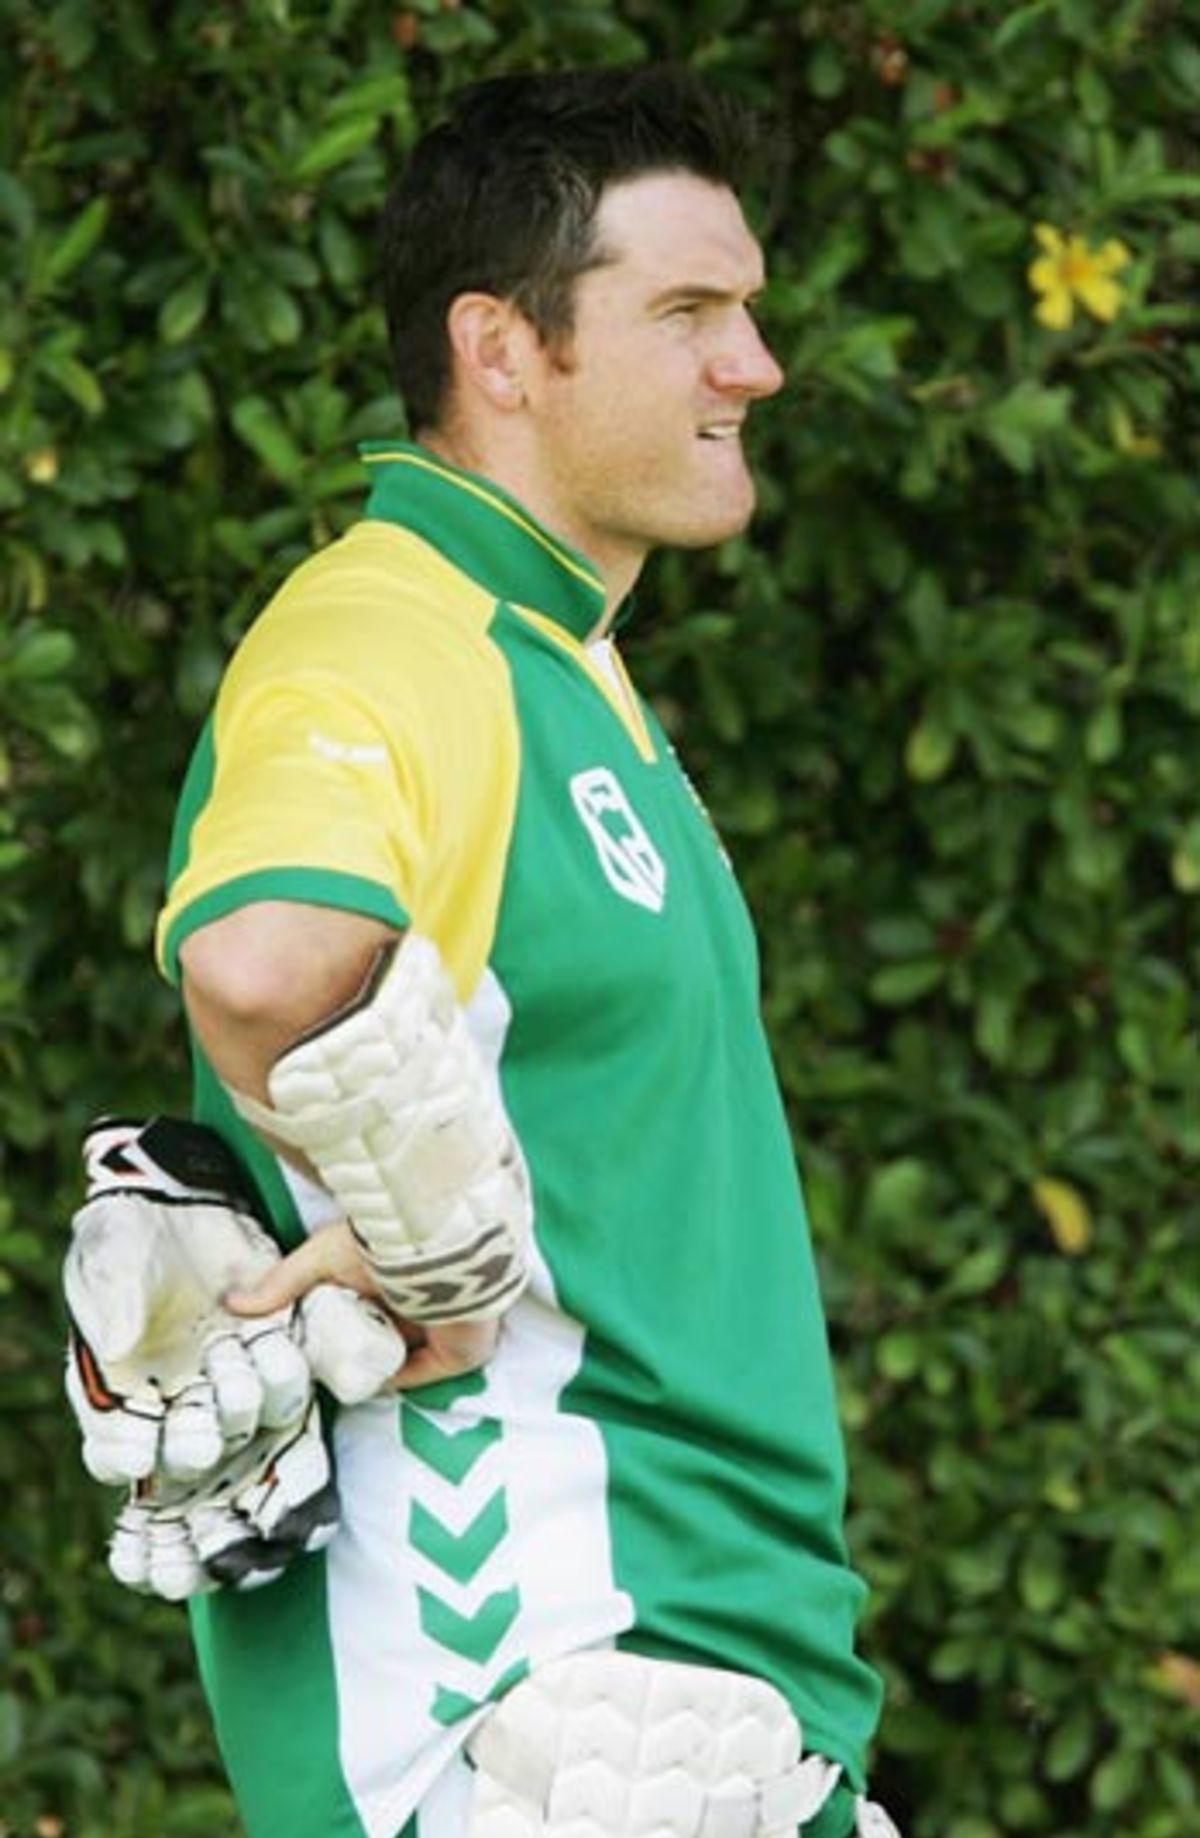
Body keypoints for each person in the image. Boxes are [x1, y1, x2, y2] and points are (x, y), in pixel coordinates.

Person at [129, 63, 895, 1838]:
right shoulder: (394, 627)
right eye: (689, 312)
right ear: (502, 349)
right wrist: (426, 1236)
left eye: (750, 312)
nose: (753, 368)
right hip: (536, 1699)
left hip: (696, 1684)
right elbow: (262, 959)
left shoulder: (567, 661)